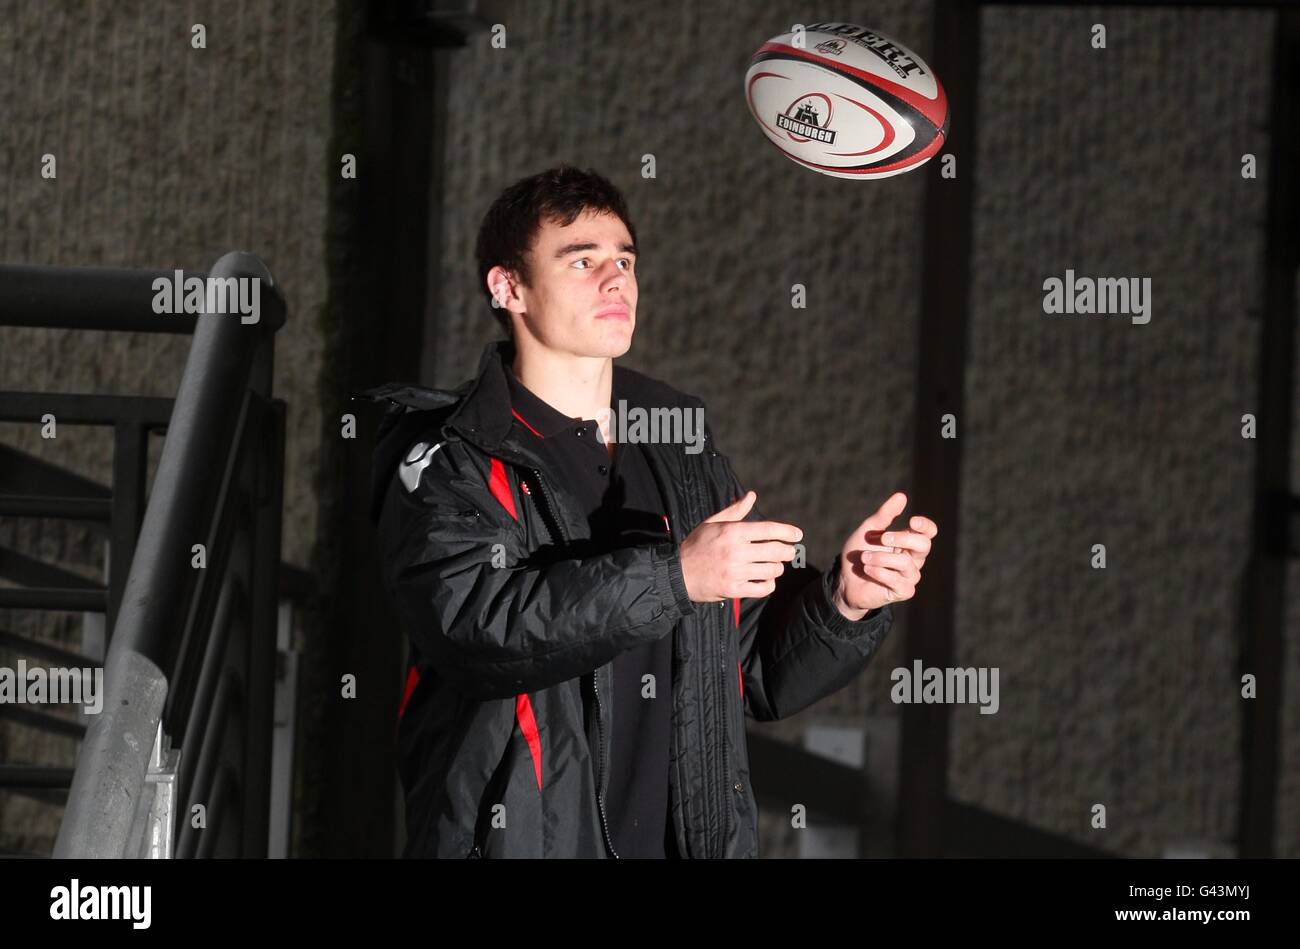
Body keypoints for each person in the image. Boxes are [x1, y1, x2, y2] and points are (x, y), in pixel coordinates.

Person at [361, 165, 936, 858]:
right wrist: (675, 578)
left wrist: (845, 600)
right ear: (507, 287)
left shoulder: (678, 446)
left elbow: (752, 667)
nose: (616, 280)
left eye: (625, 260)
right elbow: (477, 627)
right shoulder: (452, 455)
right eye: (582, 261)